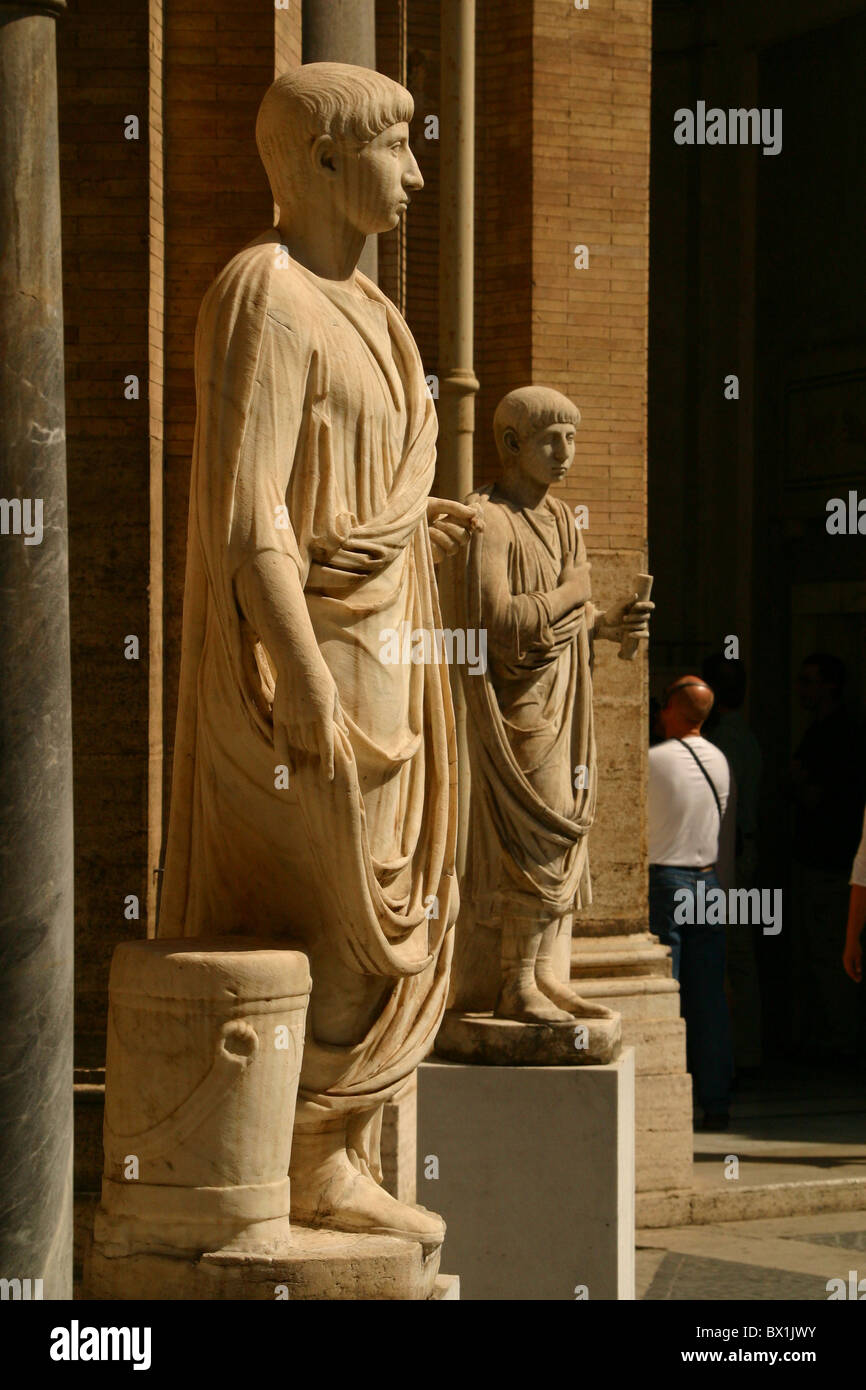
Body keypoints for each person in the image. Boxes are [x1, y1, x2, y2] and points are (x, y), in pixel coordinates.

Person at [158, 64, 479, 1245]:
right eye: (396, 149)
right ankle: (289, 1157)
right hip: (310, 660)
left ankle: (331, 1150)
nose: (416, 171)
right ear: (327, 162)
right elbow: (252, 516)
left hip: (391, 652)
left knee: (380, 917)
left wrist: (422, 533)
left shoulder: (384, 322)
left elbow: (379, 500)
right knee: (327, 910)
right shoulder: (266, 293)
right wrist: (293, 668)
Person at [452, 386, 653, 1023]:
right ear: (511, 444)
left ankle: (543, 972)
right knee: (536, 832)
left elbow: (572, 613)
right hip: (516, 705)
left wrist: (608, 623)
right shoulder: (487, 519)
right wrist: (573, 593)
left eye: (572, 438)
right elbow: (495, 622)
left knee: (564, 828)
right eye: (550, 440)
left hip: (563, 694)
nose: (566, 453)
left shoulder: (564, 520)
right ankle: (512, 984)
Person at [648, 675, 735, 1129]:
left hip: (667, 882)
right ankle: (716, 1101)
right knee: (709, 1000)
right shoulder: (720, 760)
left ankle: (662, 1096)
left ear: (674, 710)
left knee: (664, 995)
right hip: (709, 884)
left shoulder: (654, 760)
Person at [790, 653, 866, 1060]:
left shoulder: (837, 736)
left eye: (809, 681)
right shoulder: (823, 730)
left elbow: (822, 795)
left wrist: (798, 782)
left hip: (830, 860)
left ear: (830, 686)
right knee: (819, 950)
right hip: (821, 857)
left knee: (830, 951)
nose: (801, 689)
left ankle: (839, 1040)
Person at [702, 653, 763, 1075]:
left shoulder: (727, 741)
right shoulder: (748, 738)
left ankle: (736, 1058)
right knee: (737, 959)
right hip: (741, 853)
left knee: (730, 958)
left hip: (731, 857)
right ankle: (743, 1055)